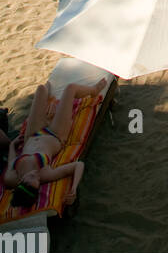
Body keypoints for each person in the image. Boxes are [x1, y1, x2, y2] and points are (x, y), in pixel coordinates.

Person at [3, 78, 107, 208]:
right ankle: (94, 90)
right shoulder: (45, 174)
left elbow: (12, 161)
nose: (37, 177)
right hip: (55, 134)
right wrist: (74, 188)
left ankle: (49, 108)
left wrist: (13, 145)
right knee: (70, 88)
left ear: (21, 181)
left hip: (32, 134)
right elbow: (78, 165)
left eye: (32, 178)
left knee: (41, 89)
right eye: (38, 182)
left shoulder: (10, 178)